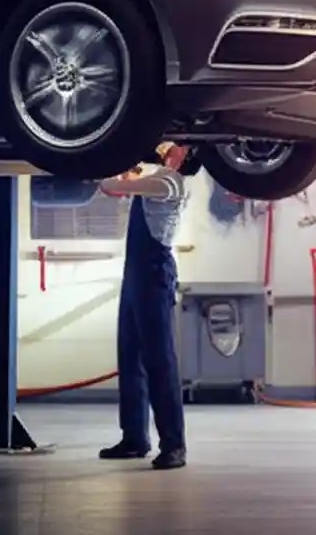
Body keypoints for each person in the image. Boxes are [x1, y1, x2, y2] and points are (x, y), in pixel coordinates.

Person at [96, 142, 195, 470]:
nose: (170, 149)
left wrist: (112, 166)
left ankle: (174, 445)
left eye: (178, 148)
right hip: (136, 274)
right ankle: (134, 438)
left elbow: (111, 187)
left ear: (184, 158)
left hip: (154, 273)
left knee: (159, 360)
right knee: (130, 355)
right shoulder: (155, 181)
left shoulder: (168, 183)